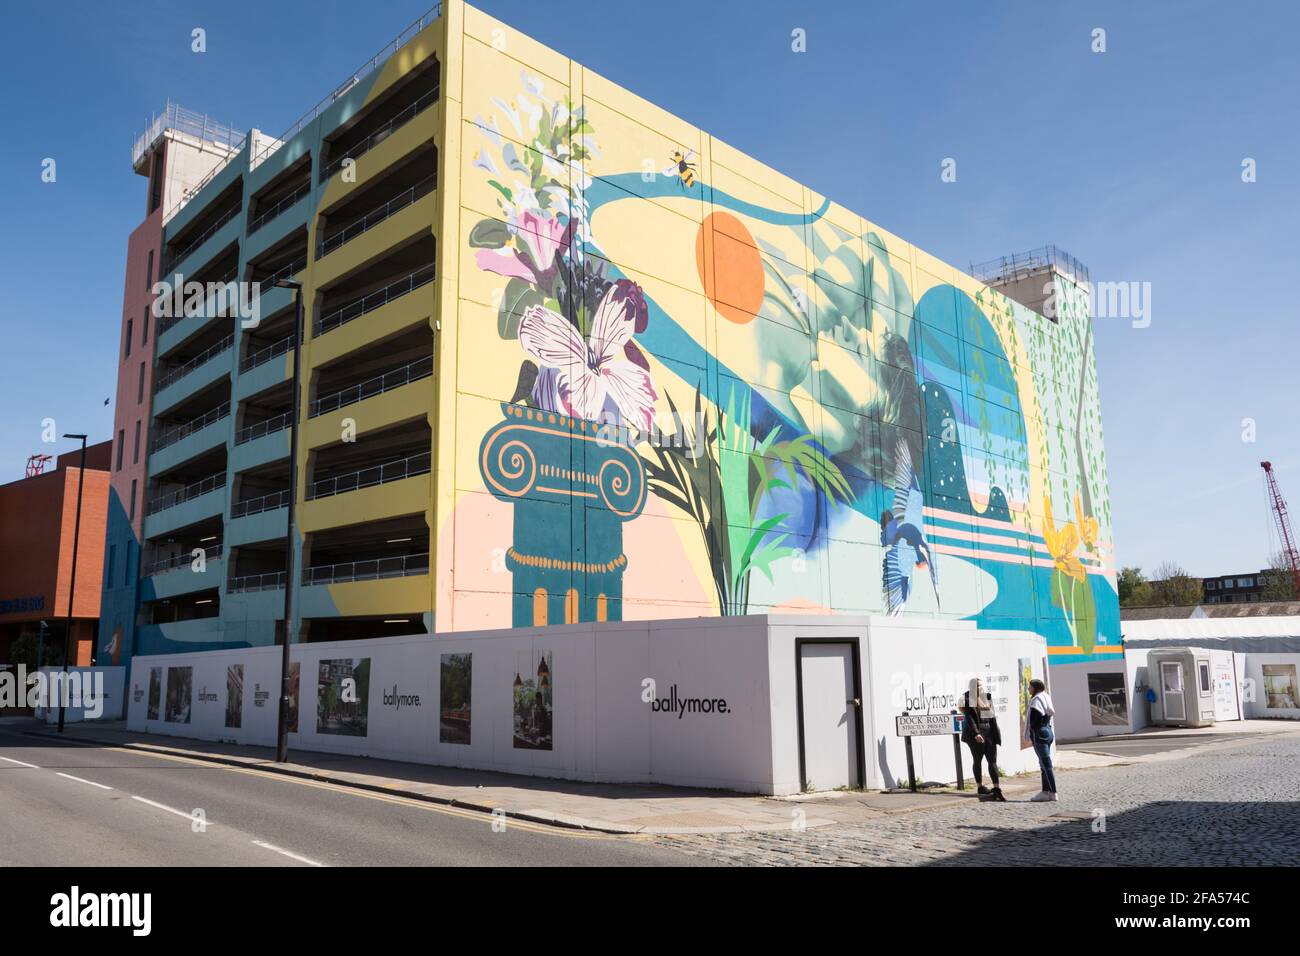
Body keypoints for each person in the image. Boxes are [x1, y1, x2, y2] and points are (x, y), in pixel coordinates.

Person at [960, 678, 1004, 802]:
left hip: (989, 731)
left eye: (981, 685)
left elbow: (991, 717)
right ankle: (979, 786)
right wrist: (976, 734)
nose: (980, 687)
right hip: (975, 734)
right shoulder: (966, 699)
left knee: (992, 760)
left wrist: (996, 733)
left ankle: (996, 788)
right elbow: (970, 719)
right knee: (977, 760)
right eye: (977, 686)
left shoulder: (986, 697)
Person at [1025, 678, 1058, 802]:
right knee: (1044, 764)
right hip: (1048, 731)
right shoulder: (1045, 696)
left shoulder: (1036, 700)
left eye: (1030, 687)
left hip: (1039, 733)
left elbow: (1035, 719)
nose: (1028, 689)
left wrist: (1032, 730)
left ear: (1034, 688)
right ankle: (1046, 792)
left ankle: (1053, 792)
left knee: (1046, 764)